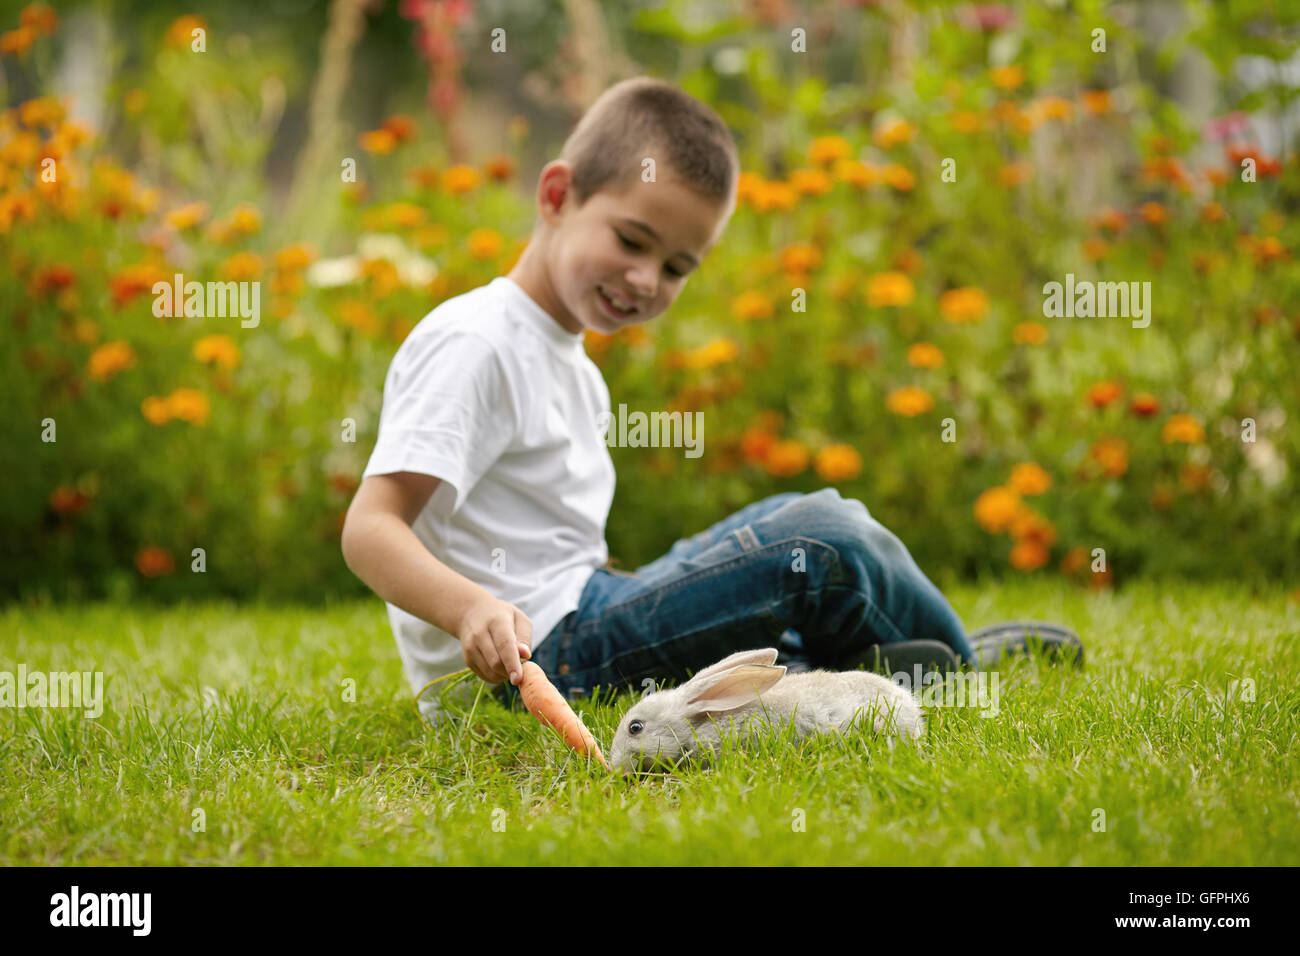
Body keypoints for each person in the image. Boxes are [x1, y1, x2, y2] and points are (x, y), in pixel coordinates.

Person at [340, 77, 1083, 726]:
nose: (644, 279)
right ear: (558, 195)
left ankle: (895, 656)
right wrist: (470, 610)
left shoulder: (565, 354)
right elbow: (371, 529)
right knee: (816, 543)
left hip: (583, 613)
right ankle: (951, 668)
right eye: (632, 240)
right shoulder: (480, 341)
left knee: (798, 511)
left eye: (675, 266)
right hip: (536, 661)